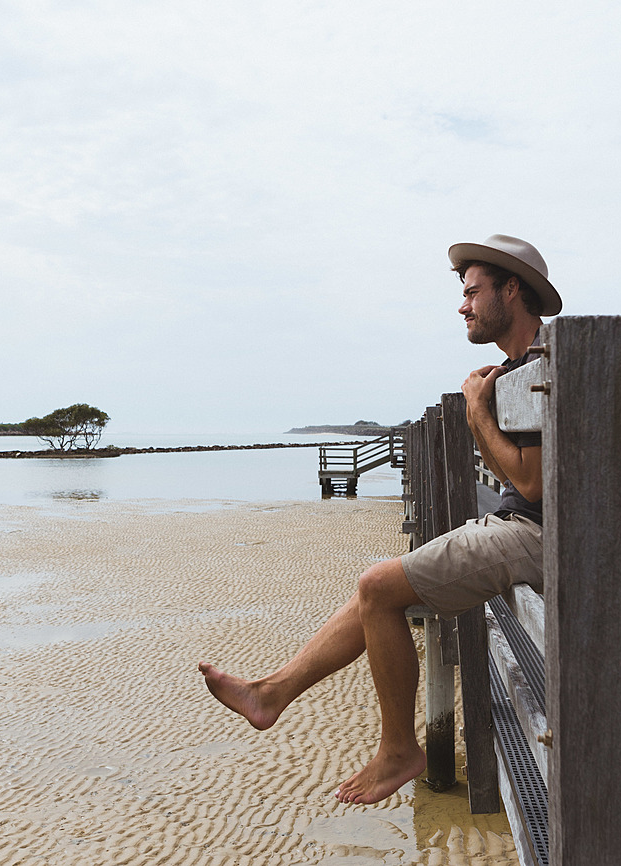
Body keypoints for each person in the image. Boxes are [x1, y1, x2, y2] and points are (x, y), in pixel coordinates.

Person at [199, 234, 562, 805]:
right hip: (522, 524)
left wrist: (473, 412)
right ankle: (269, 694)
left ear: (510, 290)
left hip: (545, 537)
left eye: (471, 292)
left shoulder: (545, 361)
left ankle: (400, 750)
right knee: (370, 595)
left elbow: (532, 483)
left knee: (377, 585)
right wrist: (482, 412)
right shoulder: (519, 367)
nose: (462, 306)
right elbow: (516, 474)